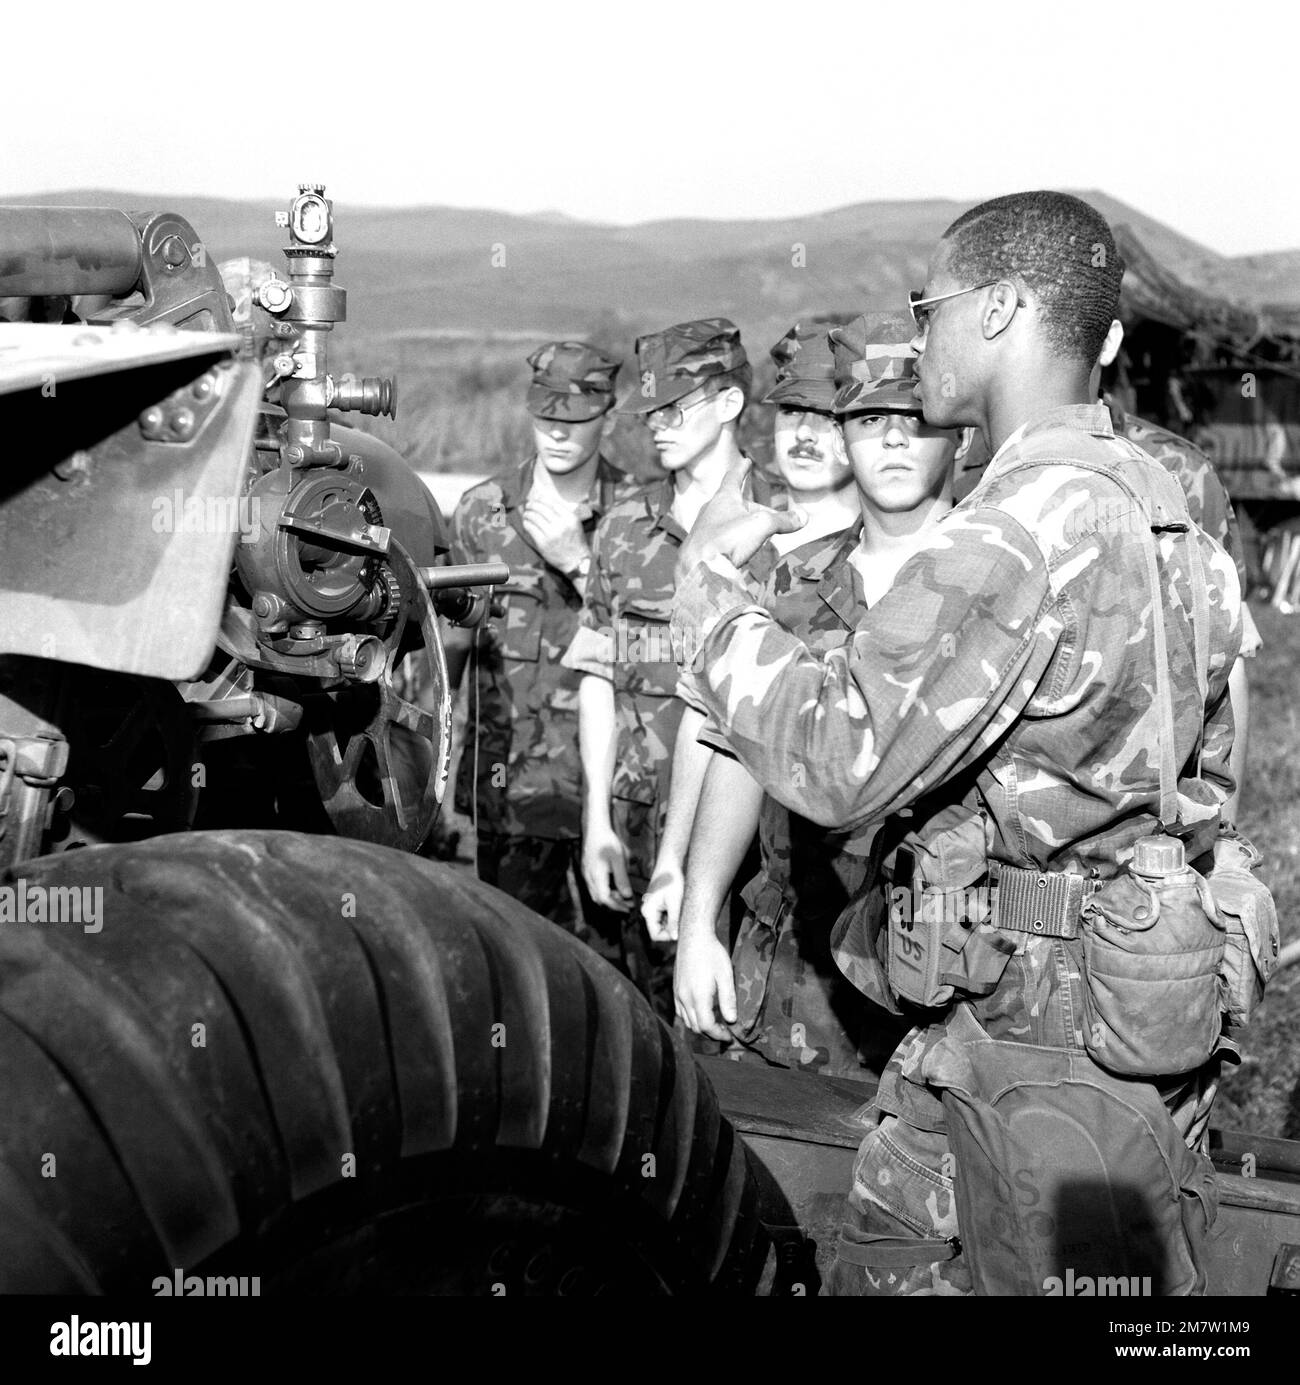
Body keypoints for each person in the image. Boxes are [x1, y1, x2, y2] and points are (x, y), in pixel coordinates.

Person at [668, 191, 1246, 1295]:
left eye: (927, 309)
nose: (914, 337)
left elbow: (839, 758)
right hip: (1137, 1013)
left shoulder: (1014, 531)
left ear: (1000, 311)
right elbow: (1209, 779)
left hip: (1031, 1041)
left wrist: (714, 609)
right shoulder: (1171, 514)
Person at [674, 313, 966, 1078]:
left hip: (941, 996)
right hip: (787, 976)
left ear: (959, 438)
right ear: (844, 433)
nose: (894, 440)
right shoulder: (786, 583)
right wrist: (699, 920)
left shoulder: (992, 589)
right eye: (871, 419)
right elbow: (741, 755)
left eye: (917, 419)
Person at [562, 318, 774, 1017]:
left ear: (730, 404)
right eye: (650, 411)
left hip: (734, 830)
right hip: (631, 820)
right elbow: (597, 674)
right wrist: (596, 821)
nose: (658, 426)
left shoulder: (777, 520)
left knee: (723, 1036)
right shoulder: (625, 523)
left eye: (675, 409)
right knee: (624, 1026)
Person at [442, 340, 636, 949]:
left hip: (618, 794)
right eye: (544, 415)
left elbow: (662, 651)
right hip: (513, 793)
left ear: (608, 414)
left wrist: (579, 564)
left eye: (573, 420)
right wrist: (441, 775)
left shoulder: (642, 519)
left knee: (628, 981)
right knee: (518, 970)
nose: (555, 432)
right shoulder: (481, 511)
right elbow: (452, 647)